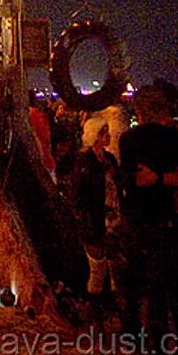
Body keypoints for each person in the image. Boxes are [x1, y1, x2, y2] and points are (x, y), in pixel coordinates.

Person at [119, 84, 178, 355]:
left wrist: (149, 179)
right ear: (163, 109)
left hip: (140, 220)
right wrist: (167, 177)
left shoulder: (129, 140)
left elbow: (128, 179)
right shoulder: (174, 138)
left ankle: (153, 347)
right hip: (171, 218)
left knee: (150, 289)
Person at [71, 113, 123, 330]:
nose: (108, 136)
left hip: (113, 217)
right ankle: (96, 312)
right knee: (97, 267)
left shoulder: (109, 159)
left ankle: (112, 310)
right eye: (103, 133)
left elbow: (117, 182)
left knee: (114, 266)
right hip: (94, 219)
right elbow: (79, 193)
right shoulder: (85, 162)